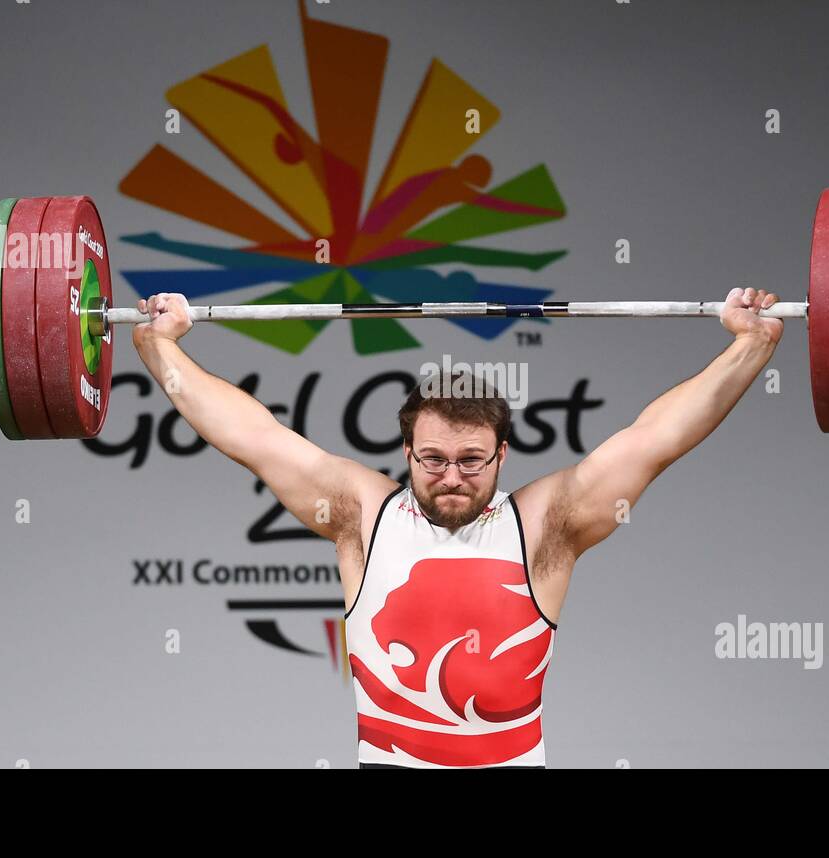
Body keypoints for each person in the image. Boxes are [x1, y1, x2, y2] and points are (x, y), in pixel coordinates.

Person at [132, 287, 783, 768]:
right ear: (407, 454)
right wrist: (159, 347)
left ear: (502, 455)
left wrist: (750, 346)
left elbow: (654, 441)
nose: (451, 477)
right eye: (433, 460)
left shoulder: (547, 524)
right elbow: (254, 437)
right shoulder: (363, 516)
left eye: (472, 461)